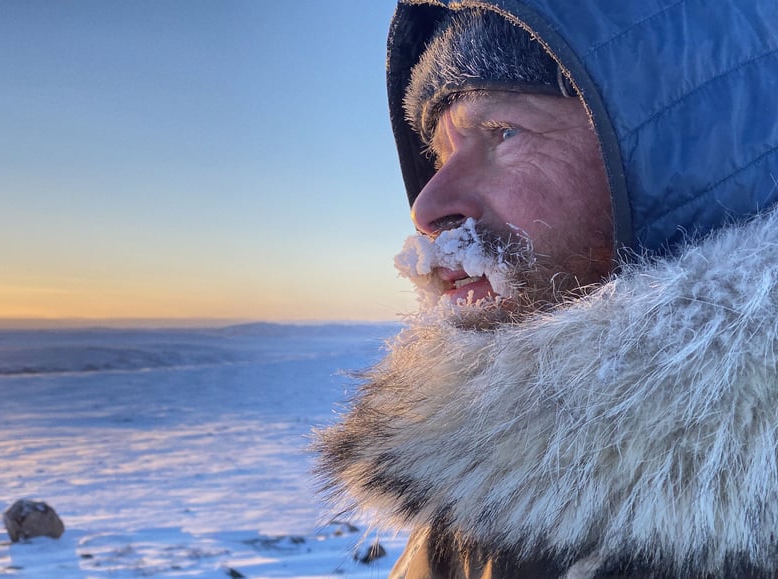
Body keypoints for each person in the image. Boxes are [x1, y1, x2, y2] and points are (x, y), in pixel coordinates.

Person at [316, 2, 778, 578]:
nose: (427, 207)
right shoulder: (481, 484)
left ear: (688, 156)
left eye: (502, 131)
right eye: (439, 153)